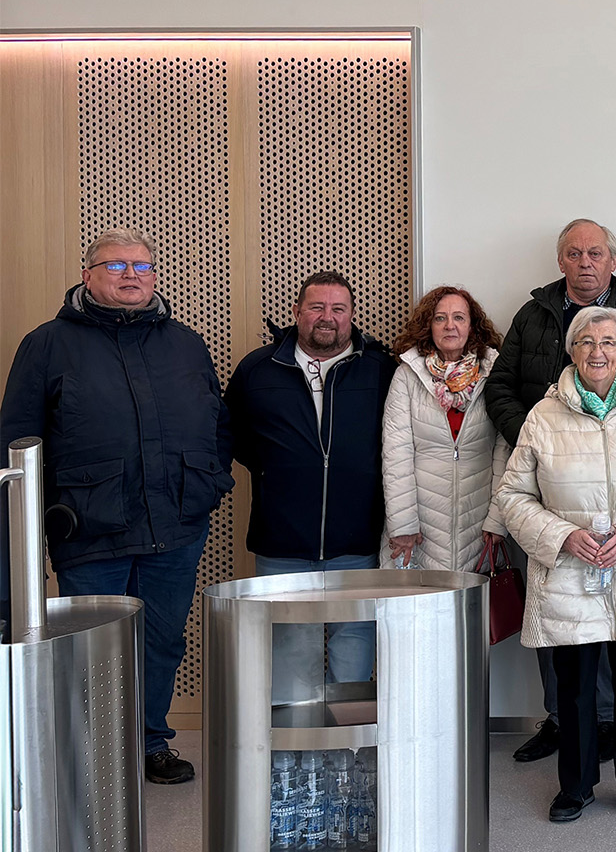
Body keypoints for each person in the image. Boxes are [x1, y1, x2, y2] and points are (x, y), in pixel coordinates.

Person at [0, 228, 230, 784]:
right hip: (89, 527)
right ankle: (99, 754)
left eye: (143, 267)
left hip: (175, 525)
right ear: (88, 275)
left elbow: (216, 424)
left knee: (162, 639)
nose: (132, 276)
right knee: (93, 648)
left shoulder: (184, 342)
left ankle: (151, 742)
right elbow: (17, 442)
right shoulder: (47, 343)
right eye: (117, 266)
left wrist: (210, 482)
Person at [493, 306, 616, 822]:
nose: (597, 351)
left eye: (608, 341)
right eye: (586, 341)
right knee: (576, 688)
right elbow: (514, 495)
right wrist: (563, 537)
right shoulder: (543, 415)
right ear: (571, 350)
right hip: (569, 572)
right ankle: (576, 785)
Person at [488, 219, 616, 766]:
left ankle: (610, 728)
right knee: (561, 620)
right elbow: (501, 386)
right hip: (556, 496)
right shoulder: (533, 315)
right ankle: (566, 721)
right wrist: (541, 440)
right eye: (574, 253)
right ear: (561, 262)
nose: (586, 262)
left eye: (596, 253)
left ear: (612, 262)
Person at [226, 271, 396, 700]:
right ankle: (296, 756)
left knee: (354, 645)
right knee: (291, 648)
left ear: (352, 316)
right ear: (298, 312)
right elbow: (235, 439)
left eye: (338, 309)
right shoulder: (258, 368)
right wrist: (281, 472)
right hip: (282, 542)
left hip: (357, 542)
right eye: (317, 307)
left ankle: (346, 752)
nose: (327, 317)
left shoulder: (379, 368)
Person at [381, 286, 507, 576]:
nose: (450, 325)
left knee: (473, 618)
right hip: (420, 528)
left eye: (459, 317)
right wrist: (403, 525)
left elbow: (505, 451)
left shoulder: (494, 372)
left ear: (472, 326)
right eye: (440, 318)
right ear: (429, 326)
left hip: (479, 523)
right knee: (420, 615)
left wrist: (498, 520)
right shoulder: (407, 375)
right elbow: (396, 454)